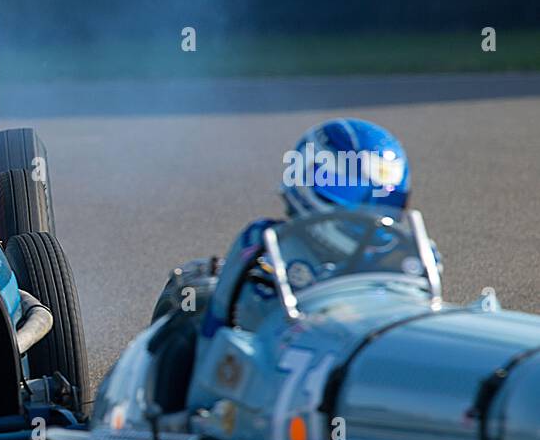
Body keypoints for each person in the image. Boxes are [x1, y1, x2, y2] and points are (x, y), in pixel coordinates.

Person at [155, 118, 415, 323]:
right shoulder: (263, 253)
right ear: (307, 176)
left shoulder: (408, 257)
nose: (364, 209)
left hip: (374, 369)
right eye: (347, 189)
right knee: (188, 303)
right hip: (285, 373)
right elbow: (216, 345)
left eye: (380, 196)